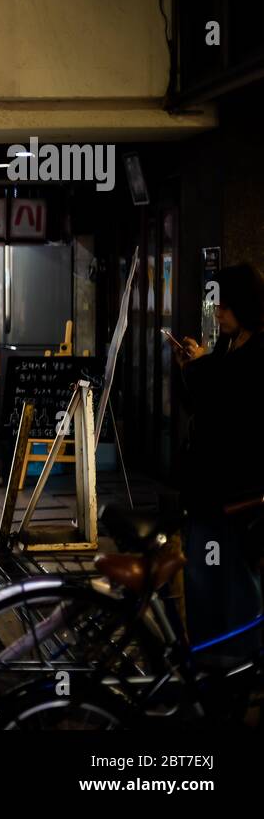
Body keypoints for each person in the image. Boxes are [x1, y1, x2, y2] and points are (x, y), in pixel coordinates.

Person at [167, 262, 264, 666]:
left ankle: (238, 666)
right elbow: (205, 405)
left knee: (232, 579)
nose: (218, 313)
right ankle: (211, 662)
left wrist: (200, 368)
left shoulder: (257, 349)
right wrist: (191, 368)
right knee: (205, 576)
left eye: (223, 306)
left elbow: (233, 404)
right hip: (208, 487)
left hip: (237, 491)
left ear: (244, 305)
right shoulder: (230, 345)